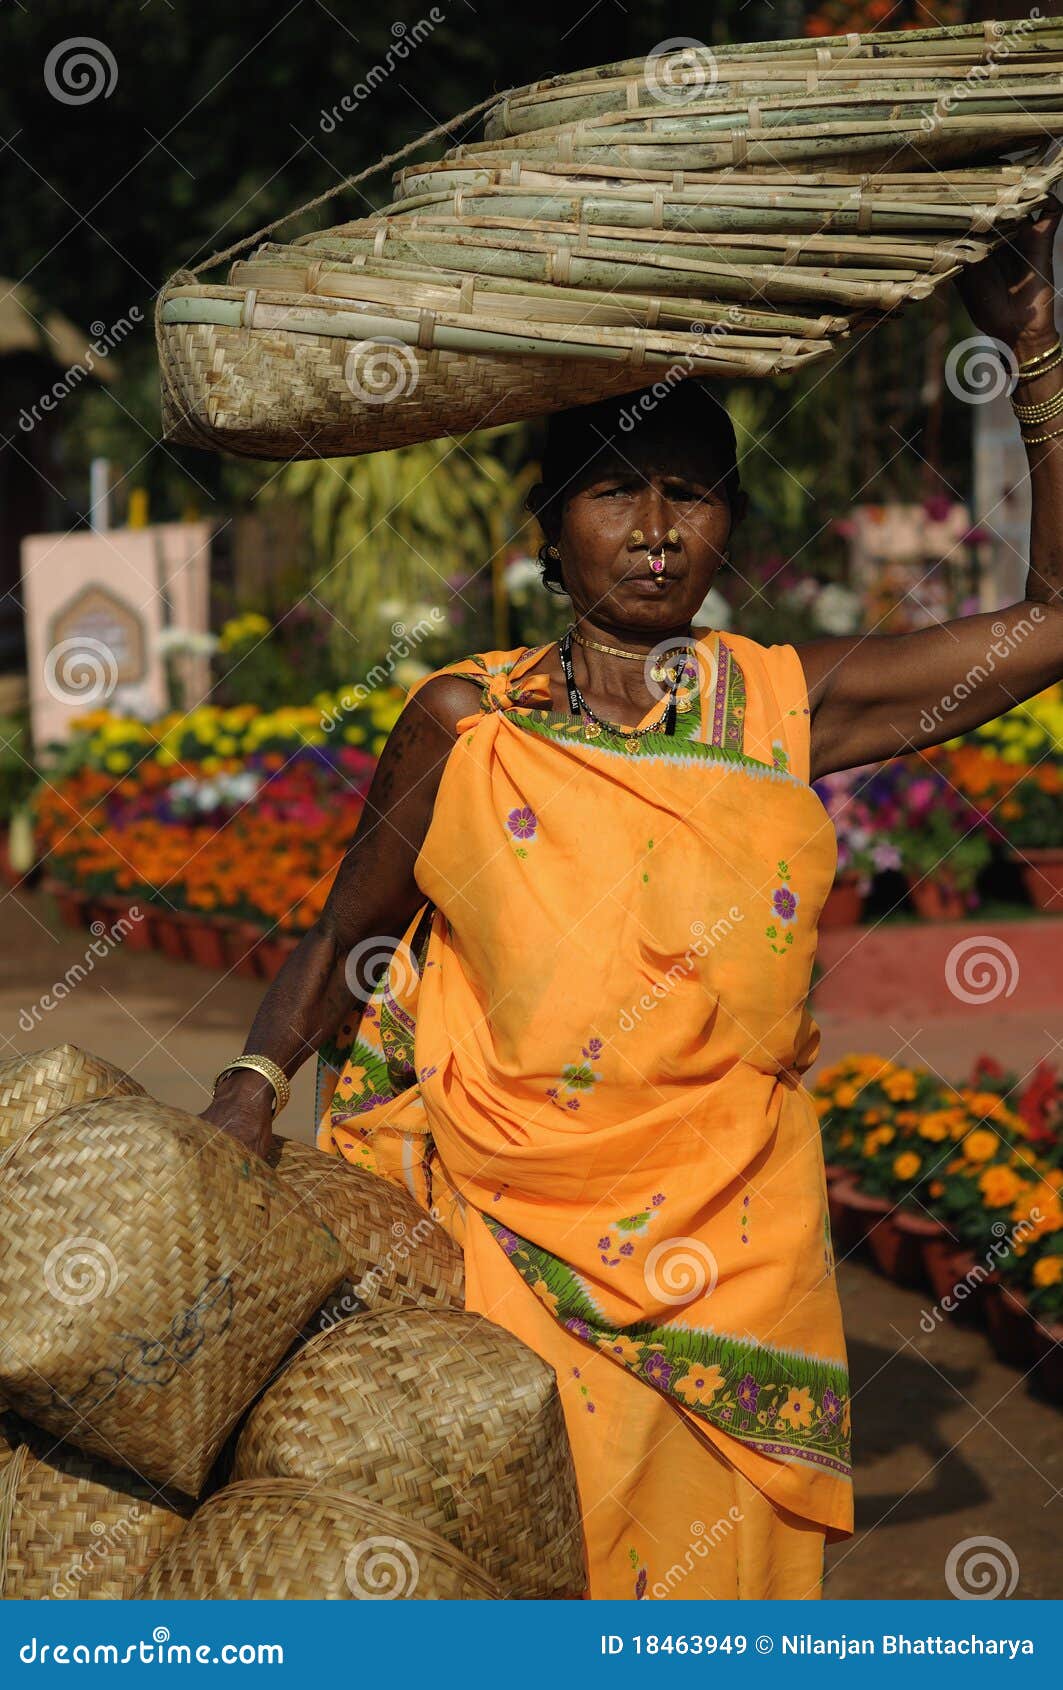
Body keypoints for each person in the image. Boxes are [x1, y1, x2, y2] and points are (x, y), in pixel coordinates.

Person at [203, 198, 1063, 1600]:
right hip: (514, 1240)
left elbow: (1051, 627)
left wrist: (1034, 348)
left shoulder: (784, 705)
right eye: (617, 488)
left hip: (738, 1248)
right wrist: (249, 1081)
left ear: (731, 520)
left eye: (693, 491)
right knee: (546, 1574)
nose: (658, 528)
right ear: (551, 527)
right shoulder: (464, 726)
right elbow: (344, 936)